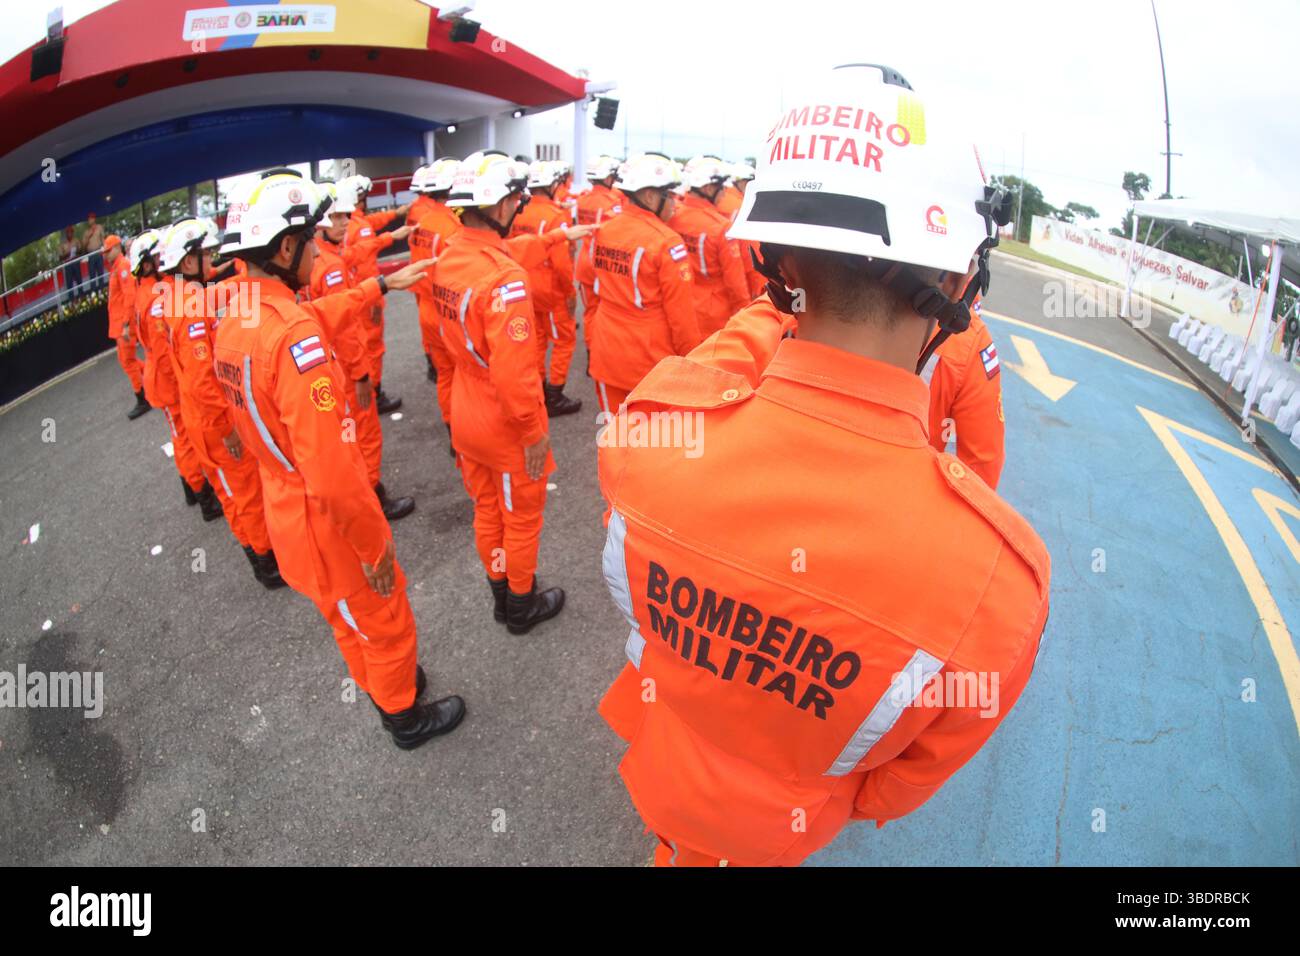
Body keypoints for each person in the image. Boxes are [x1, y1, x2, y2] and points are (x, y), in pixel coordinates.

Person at [595, 64, 1047, 867]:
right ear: (957, 282)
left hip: (662, 771)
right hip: (786, 826)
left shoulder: (651, 434)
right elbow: (904, 781)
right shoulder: (997, 585)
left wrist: (796, 296)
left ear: (779, 264)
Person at [214, 170, 463, 748]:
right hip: (326, 522)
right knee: (382, 619)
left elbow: (313, 318)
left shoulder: (240, 318)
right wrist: (374, 546)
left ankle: (388, 687)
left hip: (289, 512)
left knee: (349, 620)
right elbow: (330, 472)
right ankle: (404, 716)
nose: (320, 245)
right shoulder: (290, 336)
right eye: (310, 237)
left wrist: (379, 286)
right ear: (283, 249)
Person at [427, 150, 569, 633]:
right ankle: (519, 604)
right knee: (522, 517)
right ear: (499, 205)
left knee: (488, 509)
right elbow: (515, 375)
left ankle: (500, 590)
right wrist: (533, 432)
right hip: (503, 420)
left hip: (465, 407)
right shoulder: (505, 280)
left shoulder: (450, 256)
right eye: (514, 199)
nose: (518, 207)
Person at [156, 218, 286, 589]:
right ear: (186, 263)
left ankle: (261, 554)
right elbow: (201, 380)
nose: (211, 259)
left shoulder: (176, 296)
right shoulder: (190, 310)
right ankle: (267, 563)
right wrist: (227, 427)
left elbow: (220, 290)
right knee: (244, 493)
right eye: (204, 254)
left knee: (232, 493)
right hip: (213, 423)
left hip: (200, 419)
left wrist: (244, 275)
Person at [309, 182, 416, 520]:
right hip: (344, 369)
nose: (346, 222)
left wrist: (395, 232)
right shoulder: (330, 267)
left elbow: (364, 247)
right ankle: (372, 500)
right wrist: (361, 374)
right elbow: (344, 331)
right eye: (338, 216)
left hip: (327, 367)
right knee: (364, 433)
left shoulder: (318, 257)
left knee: (346, 436)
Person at [587, 152, 701, 416]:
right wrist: (693, 364)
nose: (674, 202)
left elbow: (589, 283)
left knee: (614, 440)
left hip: (606, 351)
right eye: (669, 194)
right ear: (649, 196)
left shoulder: (604, 229)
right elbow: (681, 318)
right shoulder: (666, 242)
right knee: (655, 445)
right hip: (650, 360)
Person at [131, 230, 220, 517]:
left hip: (170, 381)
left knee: (185, 438)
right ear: (147, 264)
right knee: (184, 439)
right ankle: (202, 496)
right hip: (168, 384)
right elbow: (164, 354)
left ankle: (194, 491)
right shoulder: (156, 300)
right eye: (158, 256)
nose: (164, 258)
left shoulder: (156, 290)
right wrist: (187, 387)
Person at [510, 160, 583, 416]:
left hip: (523, 284)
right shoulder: (555, 216)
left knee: (537, 340)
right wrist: (570, 293)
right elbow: (561, 263)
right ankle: (554, 393)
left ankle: (539, 388)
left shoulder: (517, 210)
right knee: (564, 340)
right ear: (553, 184)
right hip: (549, 289)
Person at [339, 174, 411, 413]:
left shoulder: (349, 225)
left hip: (354, 293)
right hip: (367, 294)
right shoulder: (360, 228)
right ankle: (374, 393)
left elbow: (374, 221)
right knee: (372, 346)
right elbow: (368, 248)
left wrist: (396, 214)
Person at [668, 155, 752, 338]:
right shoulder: (720, 227)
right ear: (708, 188)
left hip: (683, 308)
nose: (724, 192)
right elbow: (735, 283)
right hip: (714, 315)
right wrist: (746, 318)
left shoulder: (672, 216)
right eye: (721, 187)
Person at [406, 157, 462, 382]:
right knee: (458, 371)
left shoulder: (424, 219)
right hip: (444, 309)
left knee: (444, 372)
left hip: (425, 305)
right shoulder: (452, 226)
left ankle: (449, 417)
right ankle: (456, 418)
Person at [574, 155, 624, 364]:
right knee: (606, 312)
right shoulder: (613, 203)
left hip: (584, 261)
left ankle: (590, 352)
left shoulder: (582, 198)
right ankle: (600, 354)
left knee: (590, 312)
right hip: (603, 264)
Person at [104, 234, 150, 419]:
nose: (106, 255)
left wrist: (125, 325)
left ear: (117, 248)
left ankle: (142, 398)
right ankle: (153, 379)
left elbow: (130, 296)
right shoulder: (117, 268)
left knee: (128, 361)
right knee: (126, 361)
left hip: (123, 323)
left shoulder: (123, 266)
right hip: (119, 323)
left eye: (108, 251)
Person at [83, 213, 106, 287]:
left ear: (94, 219)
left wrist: (105, 249)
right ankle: (94, 292)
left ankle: (102, 288)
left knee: (100, 272)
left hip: (98, 251)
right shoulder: (86, 231)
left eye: (90, 218)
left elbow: (103, 239)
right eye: (88, 219)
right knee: (92, 274)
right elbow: (84, 246)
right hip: (90, 254)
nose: (89, 220)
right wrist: (89, 236)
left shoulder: (99, 227)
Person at [60, 226, 82, 295]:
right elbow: (60, 257)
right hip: (68, 264)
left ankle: (81, 295)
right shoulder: (62, 244)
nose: (69, 234)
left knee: (79, 279)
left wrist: (76, 250)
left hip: (75, 262)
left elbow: (81, 250)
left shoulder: (76, 241)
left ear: (73, 233)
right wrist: (67, 254)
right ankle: (72, 299)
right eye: (68, 232)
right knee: (69, 282)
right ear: (66, 234)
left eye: (71, 232)